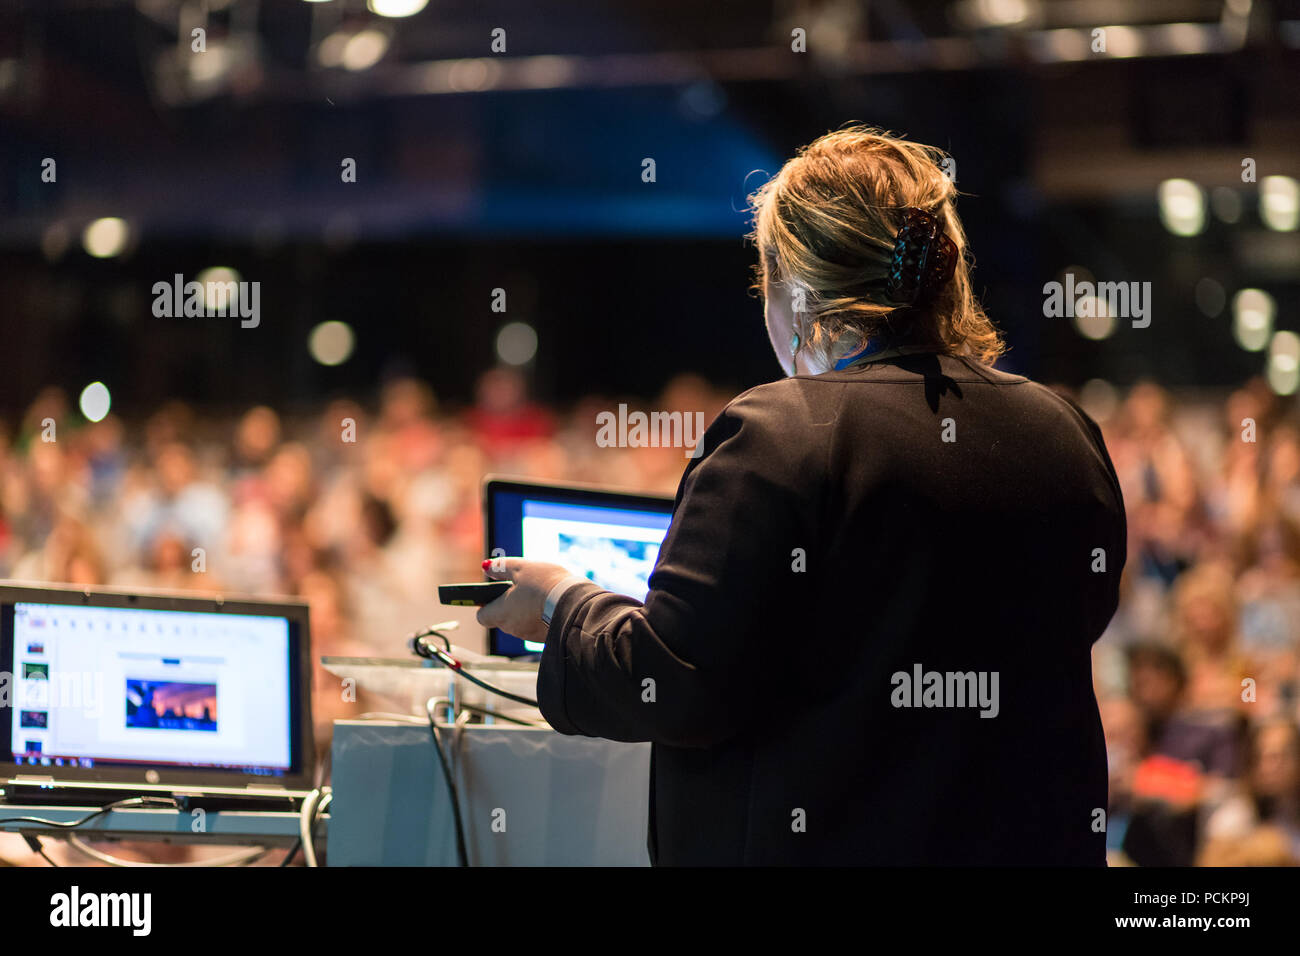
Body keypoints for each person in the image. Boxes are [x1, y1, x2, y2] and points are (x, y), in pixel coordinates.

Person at [478, 126, 1127, 865]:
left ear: (796, 293)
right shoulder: (1063, 431)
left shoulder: (779, 434)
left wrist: (565, 603)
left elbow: (677, 683)